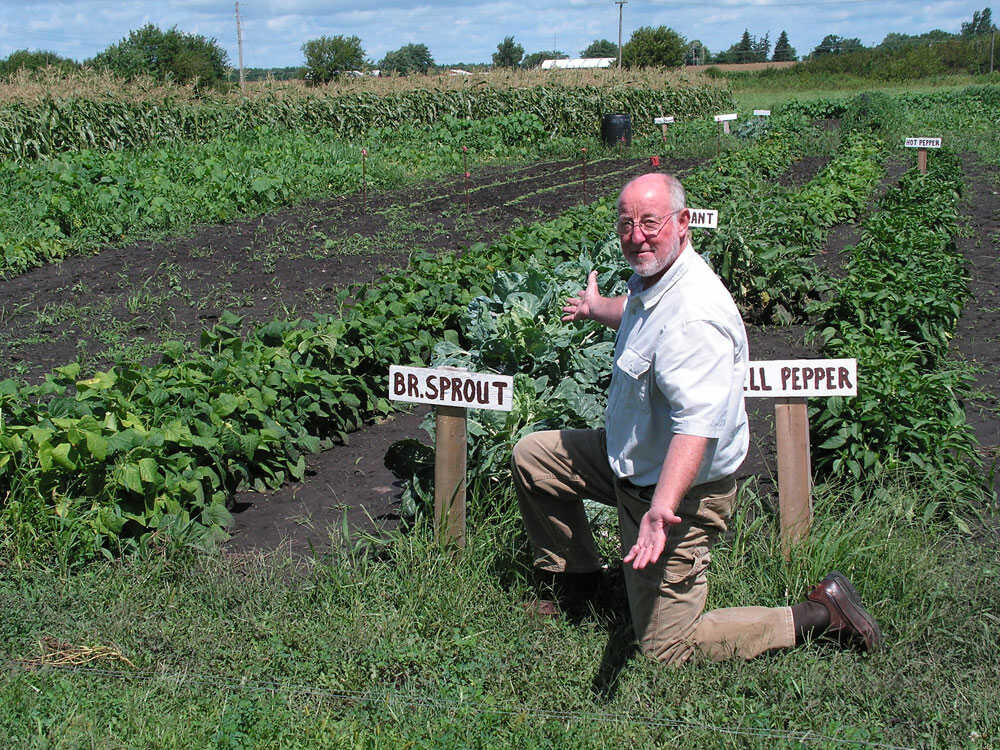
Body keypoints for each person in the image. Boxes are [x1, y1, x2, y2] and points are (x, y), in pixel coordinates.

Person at [511, 173, 882, 664]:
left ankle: (818, 615)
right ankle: (580, 581)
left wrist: (662, 508)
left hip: (677, 489)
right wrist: (600, 308)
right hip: (629, 458)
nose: (636, 235)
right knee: (535, 458)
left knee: (666, 648)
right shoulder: (660, 275)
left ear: (683, 223)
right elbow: (642, 313)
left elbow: (696, 427)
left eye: (650, 222)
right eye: (626, 224)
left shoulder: (695, 317)